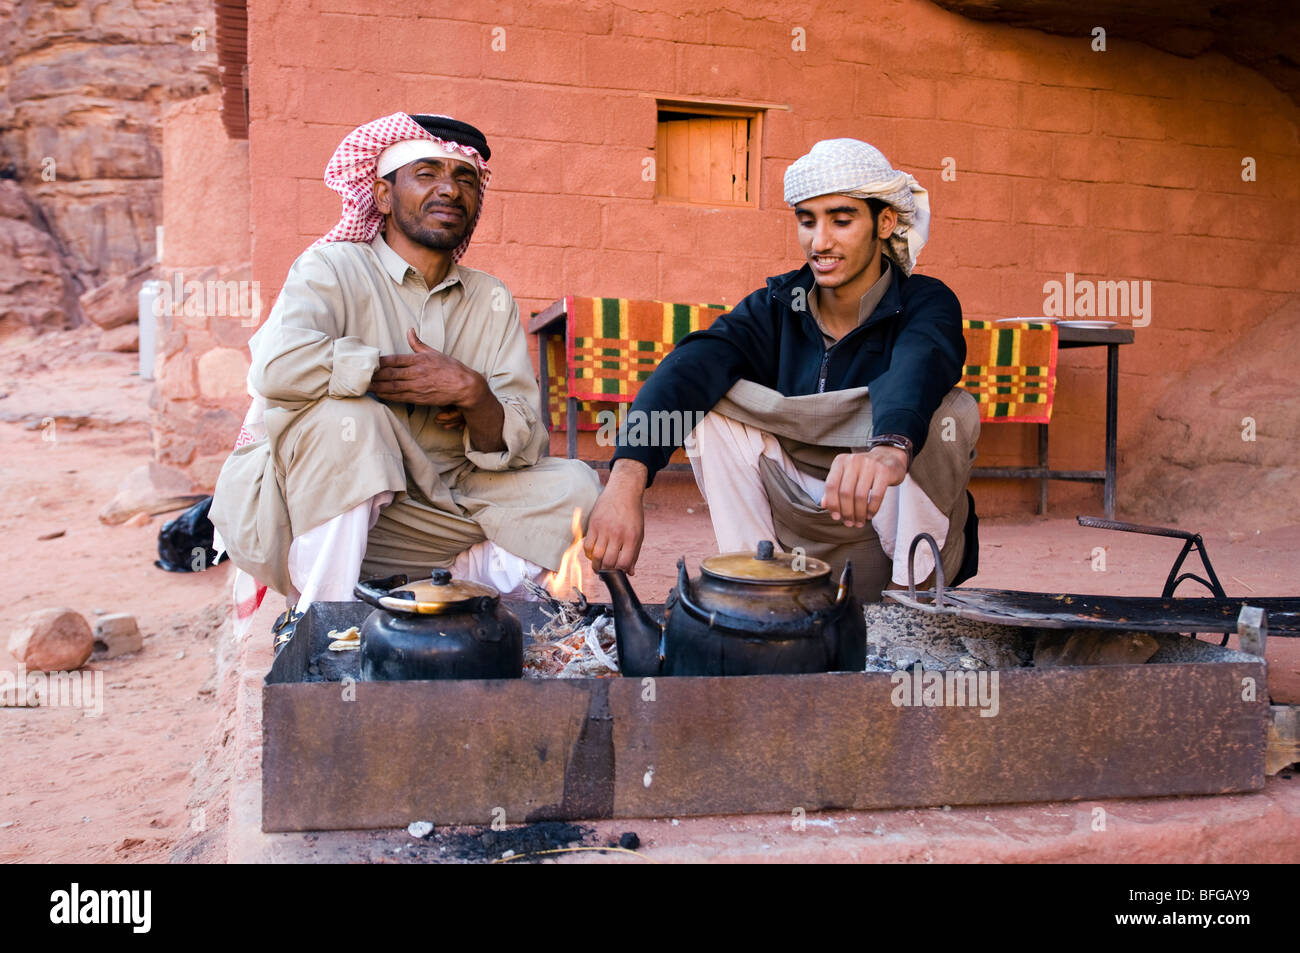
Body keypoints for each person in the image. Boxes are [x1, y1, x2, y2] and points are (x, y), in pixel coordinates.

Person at [210, 113, 600, 611]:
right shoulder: (331, 267)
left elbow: (526, 444)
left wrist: (473, 394)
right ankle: (328, 617)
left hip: (444, 510)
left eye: (464, 178)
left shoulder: (491, 297)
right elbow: (275, 366)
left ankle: (453, 587)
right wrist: (379, 374)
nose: (450, 190)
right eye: (427, 173)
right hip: (328, 507)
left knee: (575, 485)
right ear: (381, 197)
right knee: (350, 421)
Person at [584, 138, 979, 601]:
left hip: (886, 542)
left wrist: (889, 449)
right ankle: (755, 591)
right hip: (796, 540)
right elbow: (690, 368)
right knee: (715, 410)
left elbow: (920, 363)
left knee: (949, 411)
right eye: (807, 221)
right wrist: (627, 479)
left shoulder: (924, 303)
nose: (820, 241)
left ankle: (908, 611)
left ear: (885, 221)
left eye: (842, 220)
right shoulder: (777, 305)